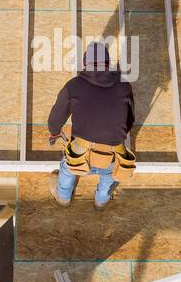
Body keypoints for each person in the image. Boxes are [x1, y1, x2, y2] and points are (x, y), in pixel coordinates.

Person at [47, 41, 136, 210]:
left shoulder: (73, 86)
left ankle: (63, 197)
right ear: (108, 64)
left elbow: (56, 117)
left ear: (85, 64)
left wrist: (54, 132)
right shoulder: (125, 87)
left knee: (67, 169)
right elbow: (130, 119)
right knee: (109, 178)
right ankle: (101, 201)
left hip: (80, 155)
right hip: (111, 155)